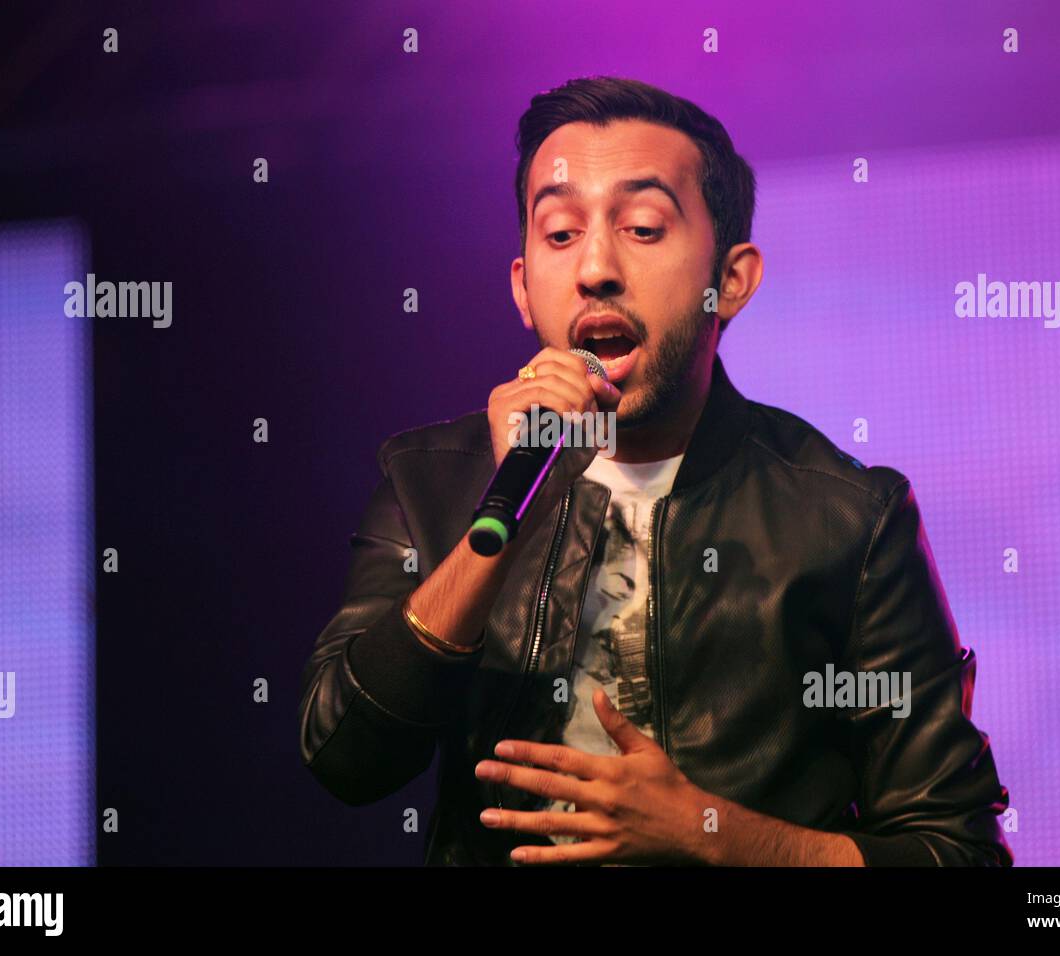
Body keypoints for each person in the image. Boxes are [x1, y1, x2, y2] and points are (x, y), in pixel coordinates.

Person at [297, 75, 1013, 867]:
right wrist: (498, 531)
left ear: (730, 281)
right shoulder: (431, 480)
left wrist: (715, 834)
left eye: (642, 227)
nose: (596, 267)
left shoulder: (846, 517)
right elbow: (346, 757)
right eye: (560, 233)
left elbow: (960, 852)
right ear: (522, 289)